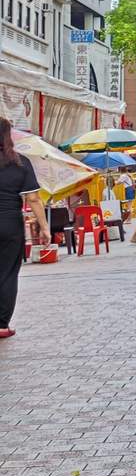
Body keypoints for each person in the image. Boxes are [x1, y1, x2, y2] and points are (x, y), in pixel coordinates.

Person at [0, 118, 47, 339]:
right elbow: (34, 199)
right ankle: (1, 324)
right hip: (10, 224)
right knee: (8, 273)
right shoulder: (20, 162)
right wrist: (44, 228)